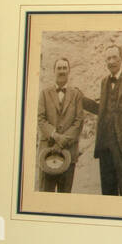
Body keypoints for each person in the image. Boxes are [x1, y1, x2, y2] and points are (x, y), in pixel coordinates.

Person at [82, 44, 122, 196]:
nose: (111, 61)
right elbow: (103, 110)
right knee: (108, 193)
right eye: (108, 58)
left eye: (114, 57)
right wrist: (81, 100)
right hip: (105, 148)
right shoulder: (104, 82)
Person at [36, 56, 85, 192]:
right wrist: (55, 135)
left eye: (65, 68)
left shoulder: (76, 95)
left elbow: (79, 121)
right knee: (46, 196)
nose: (62, 71)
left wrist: (62, 142)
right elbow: (40, 119)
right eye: (59, 68)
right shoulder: (44, 94)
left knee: (65, 196)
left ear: (69, 71)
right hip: (47, 152)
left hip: (69, 153)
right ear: (54, 71)